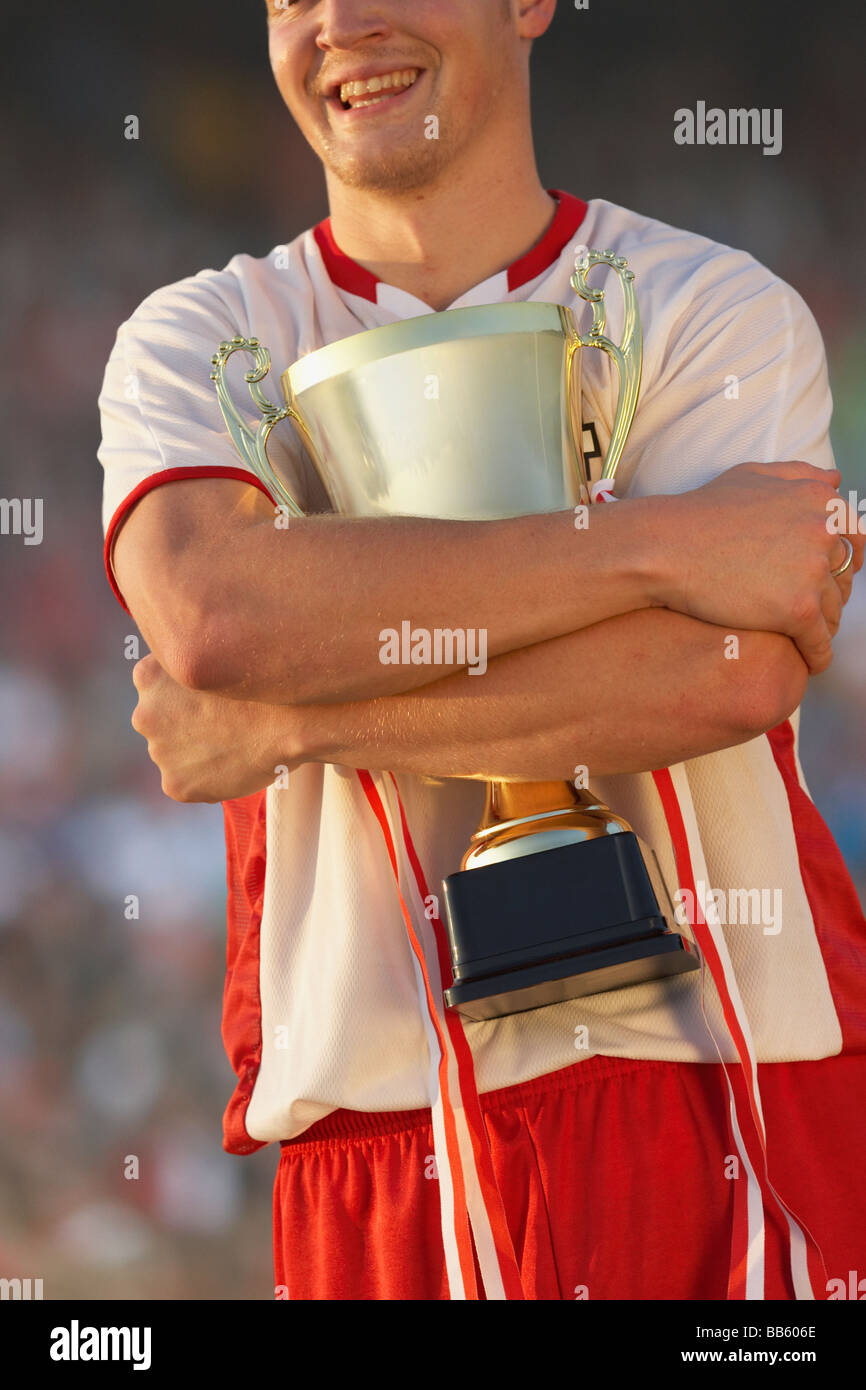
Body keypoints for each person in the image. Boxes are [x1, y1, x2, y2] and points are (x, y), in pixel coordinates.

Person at [97, 0, 865, 1300]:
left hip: (724, 1099)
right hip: (375, 1151)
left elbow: (715, 679)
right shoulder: (202, 340)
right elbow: (215, 615)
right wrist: (655, 548)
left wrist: (295, 720)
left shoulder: (710, 306)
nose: (338, 22)